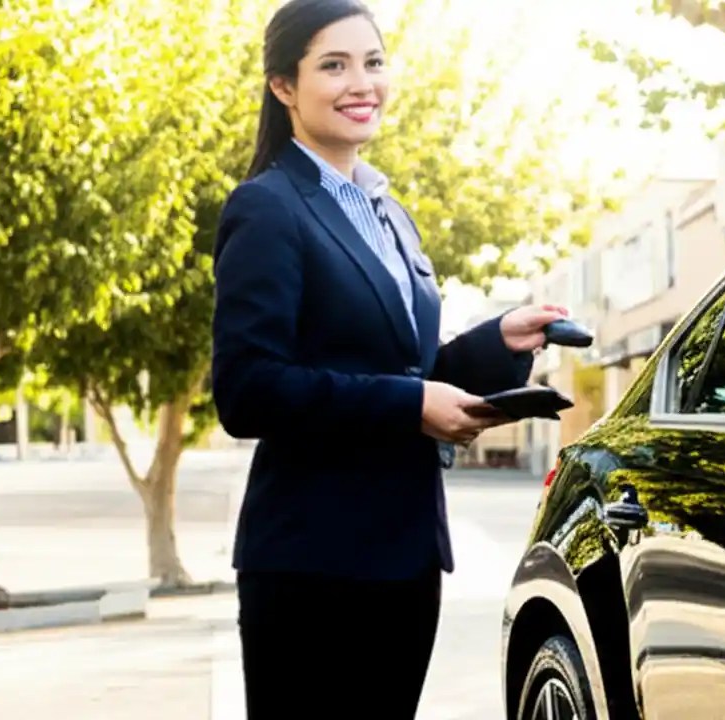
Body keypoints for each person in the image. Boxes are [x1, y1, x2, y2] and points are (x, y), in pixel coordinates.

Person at [209, 0, 568, 716]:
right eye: (334, 65)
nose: (361, 83)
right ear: (284, 86)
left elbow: (408, 364)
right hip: (312, 565)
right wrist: (411, 407)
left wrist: (496, 342)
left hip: (403, 555)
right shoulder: (268, 207)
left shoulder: (384, 211)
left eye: (373, 62)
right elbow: (247, 390)